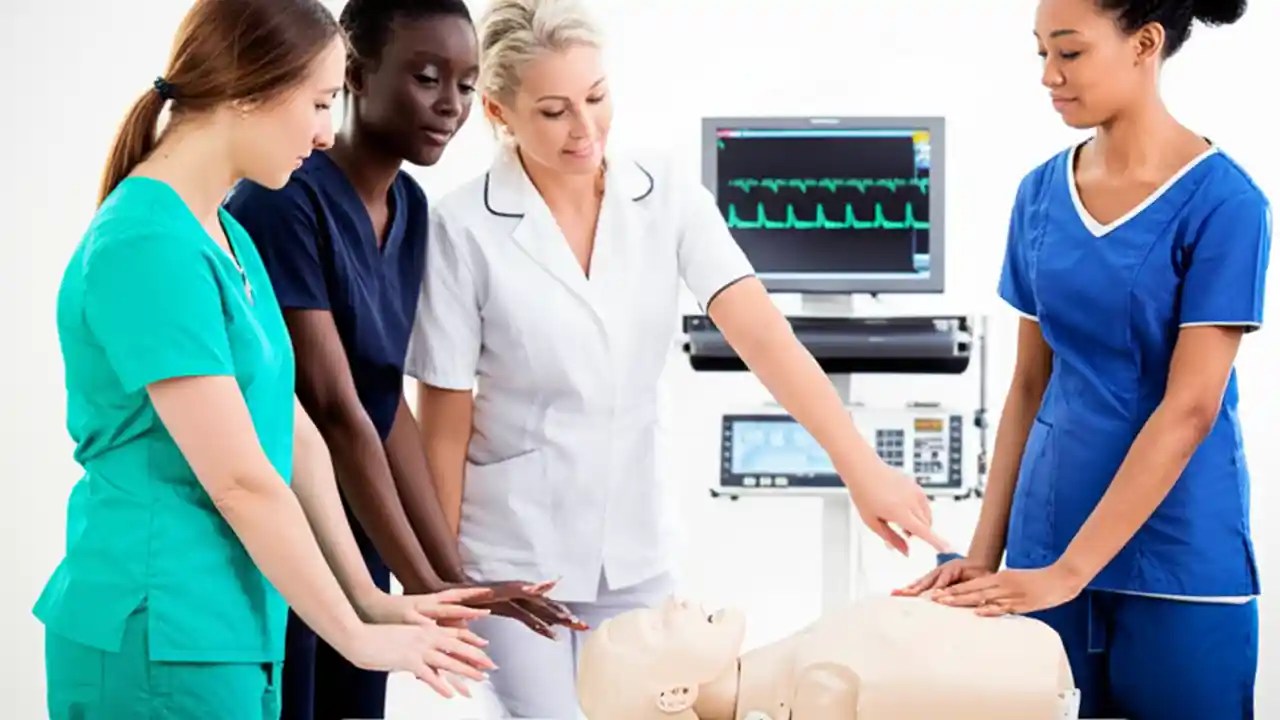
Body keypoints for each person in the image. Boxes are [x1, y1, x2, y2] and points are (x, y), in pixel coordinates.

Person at [406, 0, 948, 714]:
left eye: (597, 98)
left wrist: (861, 466)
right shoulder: (462, 227)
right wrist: (439, 585)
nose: (585, 129)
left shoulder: (663, 198)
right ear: (500, 115)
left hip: (634, 547)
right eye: (554, 110)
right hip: (512, 556)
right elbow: (444, 421)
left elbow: (767, 341)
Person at [33, 1, 497, 717]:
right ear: (247, 91)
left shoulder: (226, 237)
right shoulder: (146, 246)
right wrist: (355, 637)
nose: (323, 131)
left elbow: (296, 435)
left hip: (232, 625)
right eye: (316, 102)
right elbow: (242, 480)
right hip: (158, 629)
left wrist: (368, 598)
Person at [896, 1, 1269, 718]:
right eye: (1039, 52)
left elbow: (1190, 409)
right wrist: (987, 553)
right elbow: (1030, 384)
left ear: (1145, 44)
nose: (1048, 75)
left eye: (1069, 52)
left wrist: (1070, 572)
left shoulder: (1225, 203)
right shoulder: (1040, 194)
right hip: (1046, 539)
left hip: (1179, 558)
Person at [223, 1, 580, 717]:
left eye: (466, 84)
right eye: (426, 78)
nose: (450, 105)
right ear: (354, 72)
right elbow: (333, 409)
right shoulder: (283, 200)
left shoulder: (412, 210)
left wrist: (453, 579)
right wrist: (428, 589)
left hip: (367, 537)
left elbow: (387, 408)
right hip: (295, 537)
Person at [575, 595, 1078, 720]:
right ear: (675, 695)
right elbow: (1031, 701)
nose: (675, 603)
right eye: (660, 626)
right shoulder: (823, 686)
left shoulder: (811, 664)